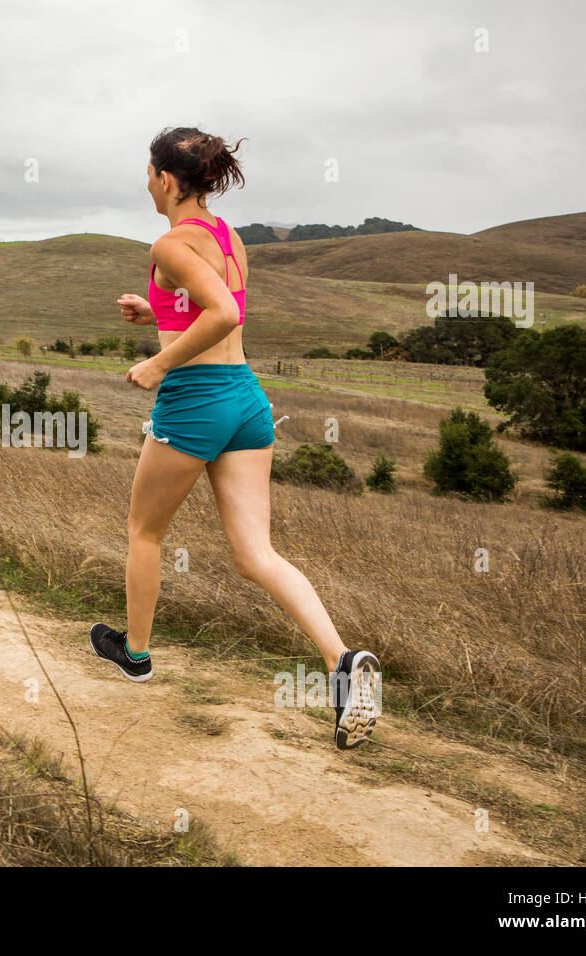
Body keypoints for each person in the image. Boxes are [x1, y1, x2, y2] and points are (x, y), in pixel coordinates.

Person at [89, 126, 380, 749]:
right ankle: (342, 662)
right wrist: (157, 312)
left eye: (148, 172)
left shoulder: (169, 243)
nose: (146, 182)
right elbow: (212, 308)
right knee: (255, 555)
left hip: (196, 401)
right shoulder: (228, 236)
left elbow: (224, 312)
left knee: (144, 530)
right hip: (246, 400)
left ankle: (134, 654)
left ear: (166, 179)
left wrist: (158, 363)